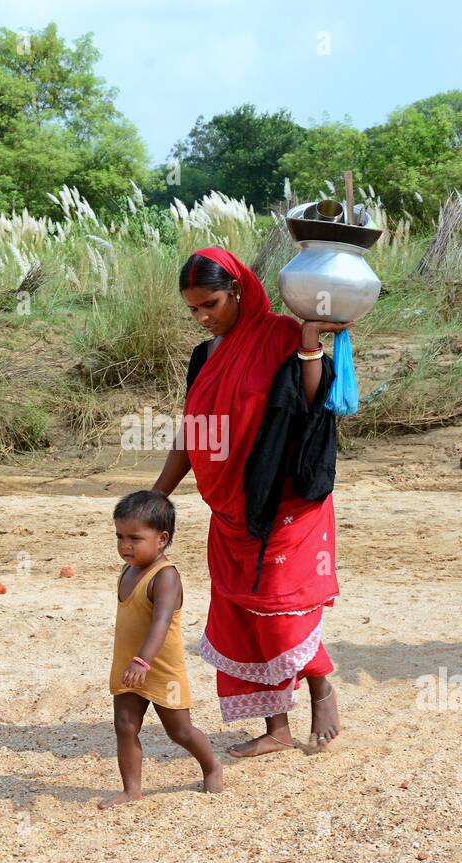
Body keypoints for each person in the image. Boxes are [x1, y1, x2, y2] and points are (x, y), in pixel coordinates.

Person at [151, 246, 349, 756]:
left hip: (285, 500)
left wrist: (308, 345)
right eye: (192, 309)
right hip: (231, 506)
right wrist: (157, 495)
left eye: (210, 304)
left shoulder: (281, 334)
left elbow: (308, 404)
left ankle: (321, 685)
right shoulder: (205, 357)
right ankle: (277, 728)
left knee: (279, 606)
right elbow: (195, 431)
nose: (201, 318)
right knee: (241, 611)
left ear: (238, 291)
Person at [102, 489, 222, 807]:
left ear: (162, 538)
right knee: (125, 726)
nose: (125, 545)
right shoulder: (129, 569)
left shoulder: (165, 577)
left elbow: (160, 622)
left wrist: (143, 661)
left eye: (135, 538)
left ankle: (211, 766)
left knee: (180, 731)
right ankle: (132, 790)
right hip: (130, 666)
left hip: (159, 668)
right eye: (119, 536)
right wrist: (134, 662)